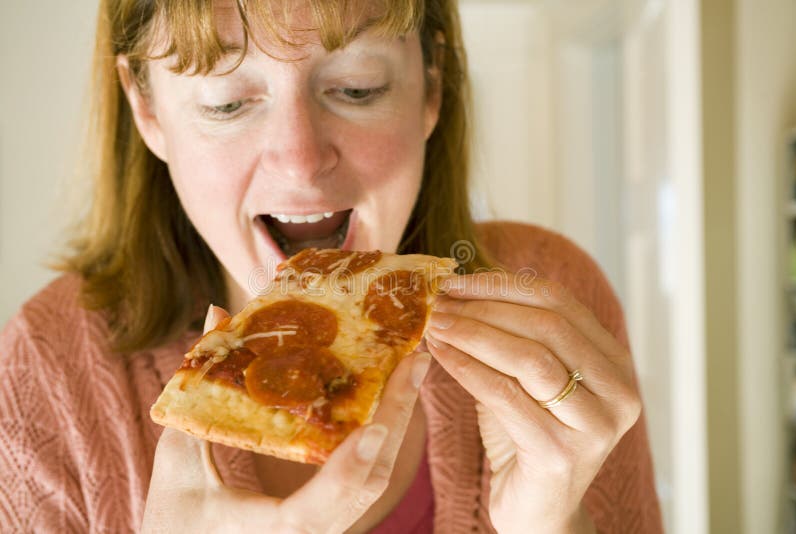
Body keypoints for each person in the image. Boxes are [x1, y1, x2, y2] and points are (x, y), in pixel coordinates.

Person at [0, 0, 663, 532]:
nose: (300, 158)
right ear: (146, 108)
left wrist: (554, 525)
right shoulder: (44, 371)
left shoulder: (549, 293)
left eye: (356, 88)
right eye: (226, 102)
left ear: (431, 85)